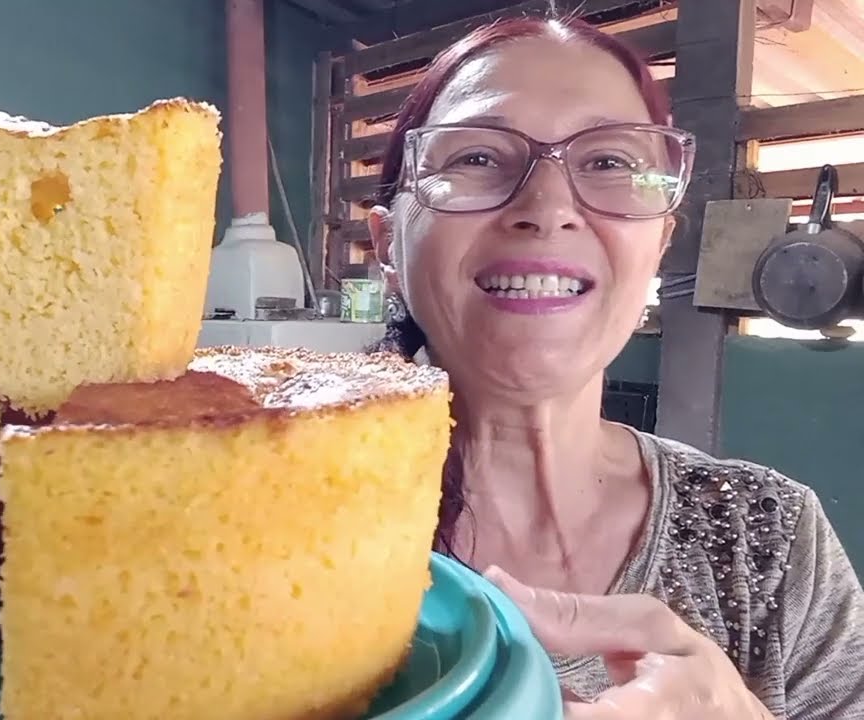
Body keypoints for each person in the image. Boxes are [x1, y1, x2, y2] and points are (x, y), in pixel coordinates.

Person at [364, 13, 864, 719]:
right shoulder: (273, 523)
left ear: (660, 242)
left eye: (609, 162)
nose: (548, 208)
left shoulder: (772, 538)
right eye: (476, 157)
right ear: (387, 244)